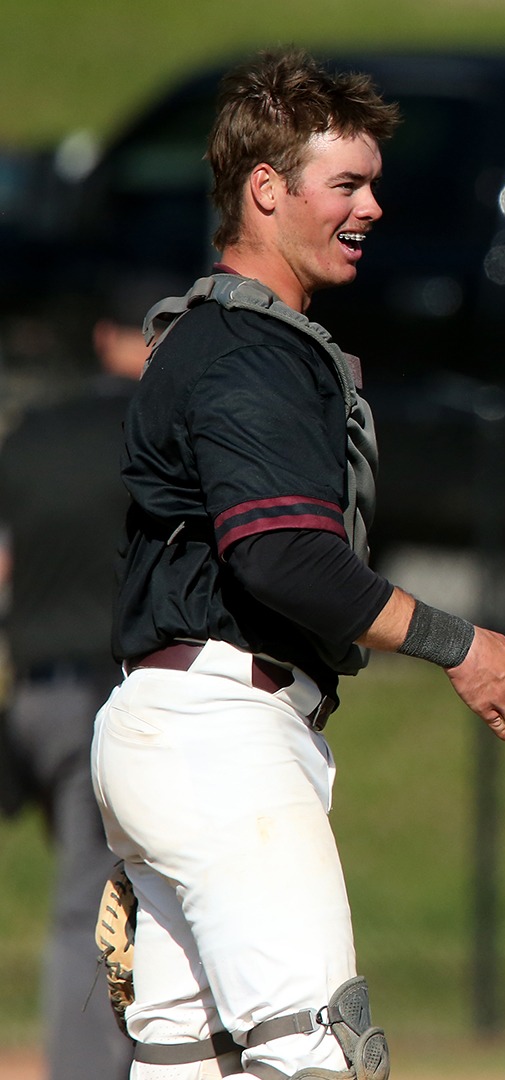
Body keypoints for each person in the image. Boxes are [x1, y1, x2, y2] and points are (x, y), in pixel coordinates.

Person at [94, 48, 505, 1079]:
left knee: (189, 1064)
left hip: (177, 726)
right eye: (346, 184)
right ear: (266, 189)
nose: (372, 209)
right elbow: (283, 560)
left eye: (373, 186)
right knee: (319, 1052)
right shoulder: (250, 352)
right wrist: (459, 644)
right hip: (218, 736)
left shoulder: (215, 335)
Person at [0, 273, 167, 1080]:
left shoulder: (33, 430)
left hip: (34, 694)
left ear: (105, 338)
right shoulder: (156, 432)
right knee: (99, 912)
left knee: (86, 904)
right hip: (114, 701)